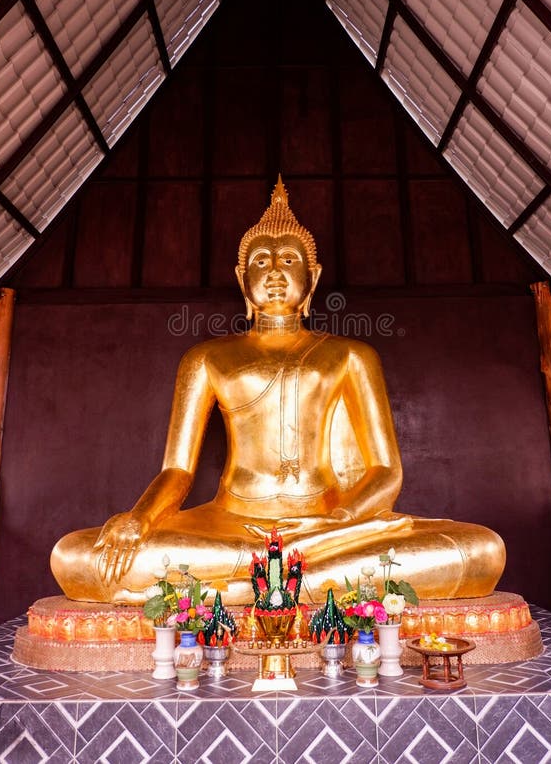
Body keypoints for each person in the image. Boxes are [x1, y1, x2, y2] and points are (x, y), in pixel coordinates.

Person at [51, 178, 505, 604]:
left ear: (314, 276)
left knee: (483, 550)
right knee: (74, 556)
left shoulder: (350, 355)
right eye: (260, 261)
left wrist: (334, 523)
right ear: (240, 278)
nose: (273, 271)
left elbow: (386, 472)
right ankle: (291, 584)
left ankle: (231, 593)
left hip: (327, 527)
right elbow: (177, 470)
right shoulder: (207, 358)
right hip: (230, 526)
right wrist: (139, 518)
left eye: (288, 259)